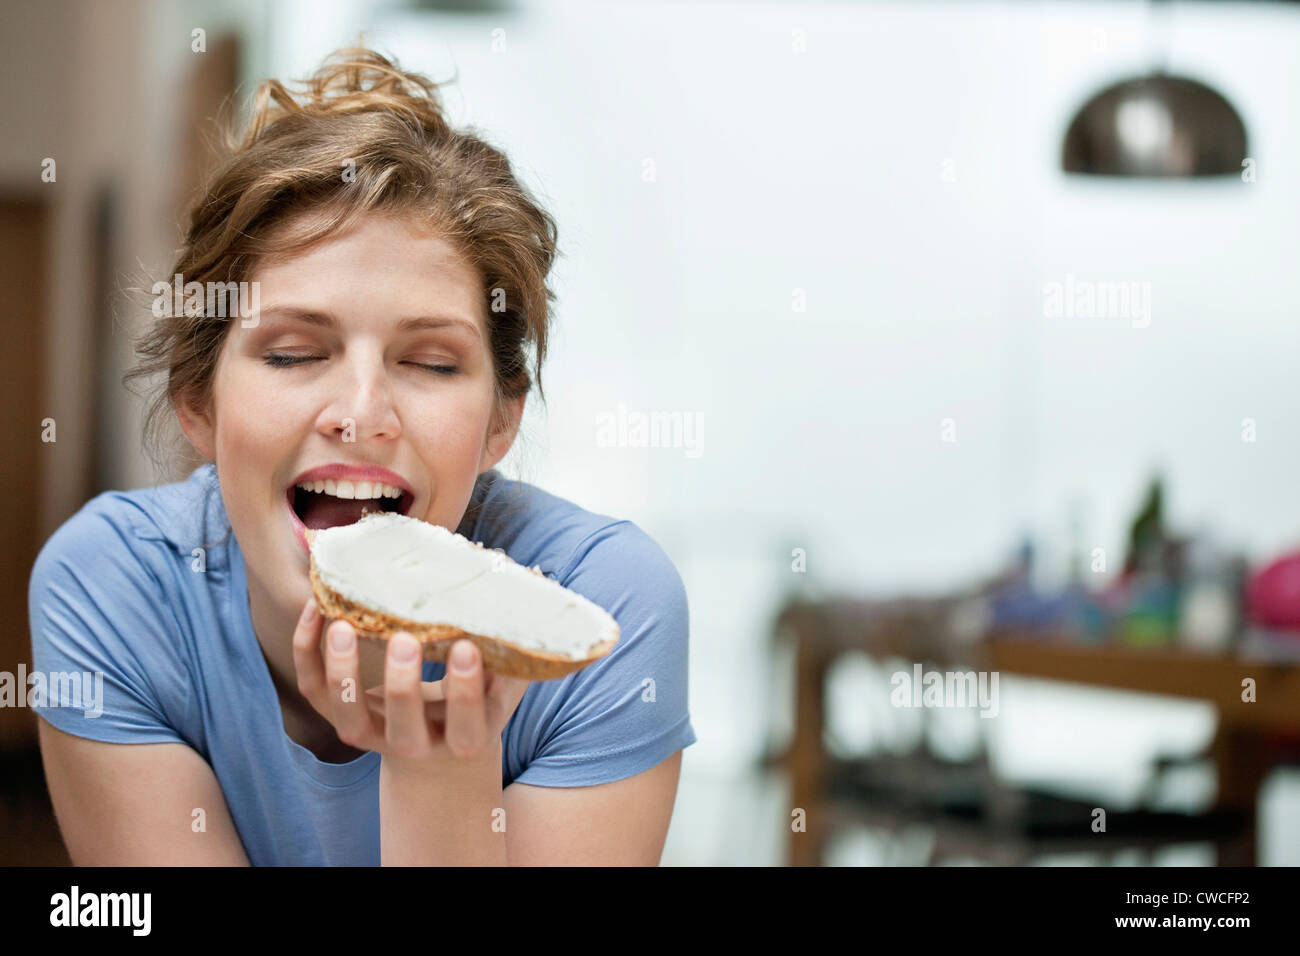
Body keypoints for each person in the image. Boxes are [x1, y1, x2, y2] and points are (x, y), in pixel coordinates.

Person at [27, 47, 696, 866]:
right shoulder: (112, 588)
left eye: (431, 364)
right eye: (294, 353)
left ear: (500, 421)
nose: (362, 415)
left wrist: (439, 768)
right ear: (198, 402)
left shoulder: (605, 611)